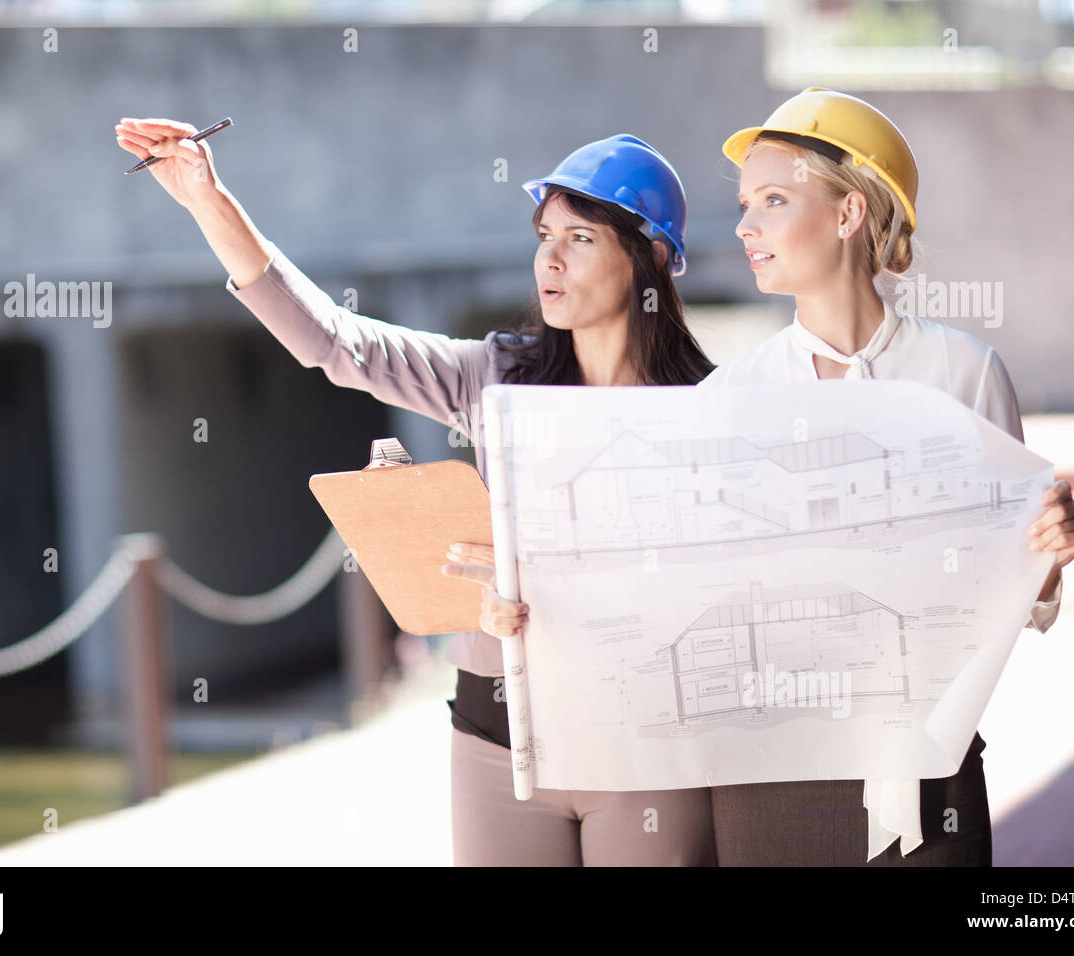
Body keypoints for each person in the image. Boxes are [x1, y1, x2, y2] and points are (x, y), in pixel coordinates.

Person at [114, 119, 718, 865]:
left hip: (645, 744)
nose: (549, 261)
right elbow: (336, 342)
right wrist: (209, 200)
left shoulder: (711, 411)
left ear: (652, 257)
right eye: (544, 235)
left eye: (581, 239)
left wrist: (544, 580)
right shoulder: (496, 376)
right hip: (495, 740)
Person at [698, 88, 1074, 865]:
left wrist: (1048, 560)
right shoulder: (725, 400)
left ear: (847, 215)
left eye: (774, 200)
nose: (746, 226)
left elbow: (1012, 598)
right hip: (769, 781)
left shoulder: (966, 373)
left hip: (929, 768)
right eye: (747, 204)